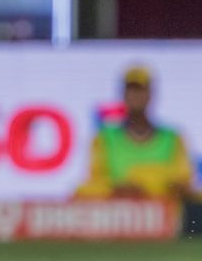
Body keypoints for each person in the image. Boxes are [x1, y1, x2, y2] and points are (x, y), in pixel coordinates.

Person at [75, 66, 194, 202]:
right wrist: (120, 189)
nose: (136, 96)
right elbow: (95, 182)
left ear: (150, 94)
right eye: (131, 90)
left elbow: (184, 183)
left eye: (140, 90)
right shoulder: (104, 138)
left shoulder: (172, 138)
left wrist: (150, 186)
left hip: (163, 213)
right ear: (123, 95)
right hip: (119, 214)